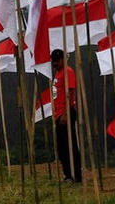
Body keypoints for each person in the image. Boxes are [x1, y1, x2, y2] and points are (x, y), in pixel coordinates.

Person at [52, 49, 82, 183]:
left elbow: (70, 92)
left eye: (58, 60)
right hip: (58, 113)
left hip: (66, 113)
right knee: (62, 147)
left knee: (70, 145)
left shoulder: (68, 72)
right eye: (54, 61)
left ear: (63, 59)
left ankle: (76, 175)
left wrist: (66, 113)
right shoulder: (58, 73)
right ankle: (68, 174)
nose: (55, 63)